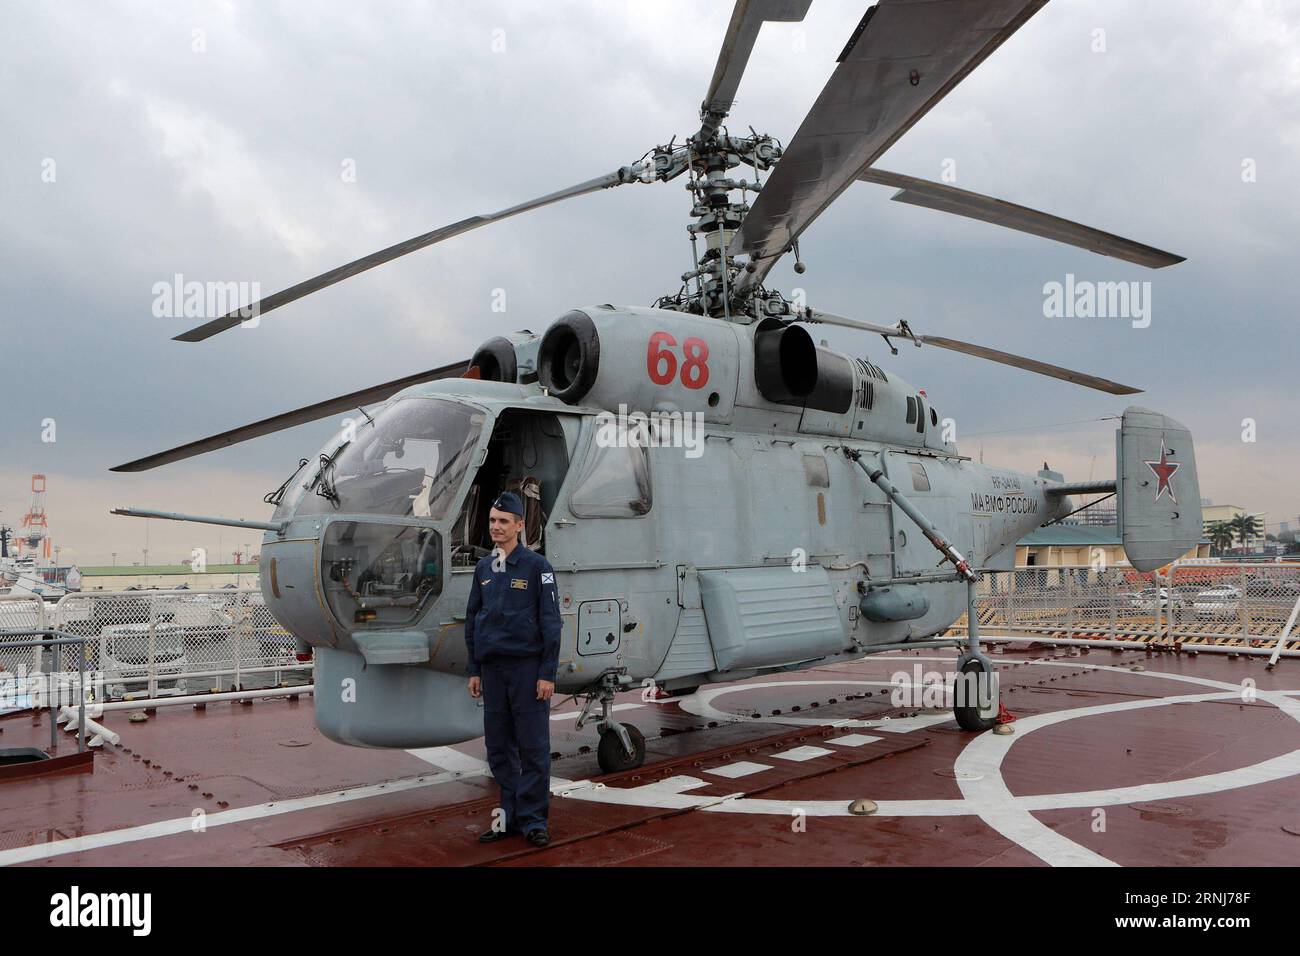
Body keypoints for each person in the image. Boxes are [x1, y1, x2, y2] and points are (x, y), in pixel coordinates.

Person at [464, 491, 561, 847]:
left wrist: (547, 673)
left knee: (533, 747)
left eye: (503, 521)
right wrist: (474, 668)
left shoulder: (538, 568)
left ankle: (534, 820)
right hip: (492, 671)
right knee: (499, 748)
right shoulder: (483, 568)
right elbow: (473, 619)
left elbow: (551, 623)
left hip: (527, 670)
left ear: (519, 525)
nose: (496, 527)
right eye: (492, 521)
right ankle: (508, 817)